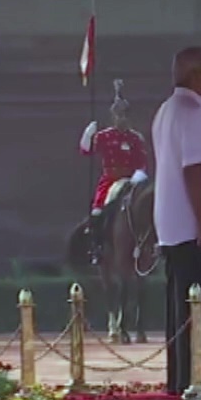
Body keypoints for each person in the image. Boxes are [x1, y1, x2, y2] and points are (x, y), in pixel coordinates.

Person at [152, 47, 201, 397]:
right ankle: (196, 382)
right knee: (200, 309)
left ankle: (182, 379)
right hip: (193, 231)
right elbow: (193, 171)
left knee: (180, 311)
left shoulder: (166, 111)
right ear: (196, 75)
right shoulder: (192, 113)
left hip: (174, 229)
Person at [78, 79, 150, 265]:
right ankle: (97, 246)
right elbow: (86, 152)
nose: (122, 119)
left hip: (131, 181)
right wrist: (88, 135)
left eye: (125, 115)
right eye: (119, 115)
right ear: (113, 117)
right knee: (97, 212)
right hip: (110, 181)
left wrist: (137, 177)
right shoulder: (104, 136)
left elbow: (142, 163)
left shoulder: (136, 138)